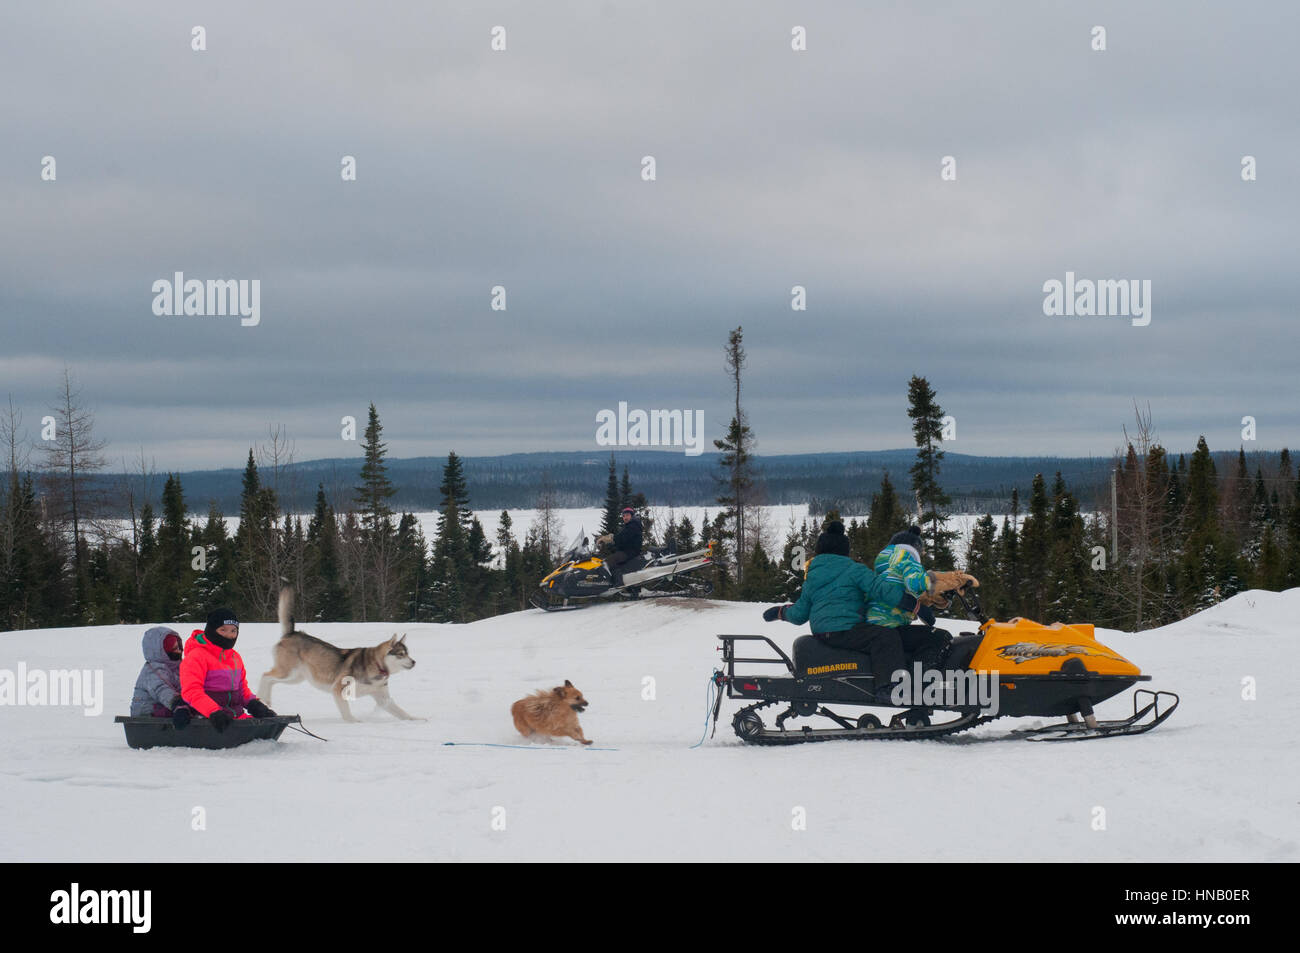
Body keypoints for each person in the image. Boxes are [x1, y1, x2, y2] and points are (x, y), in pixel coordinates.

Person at [762, 522, 971, 700]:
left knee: (882, 634)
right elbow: (881, 590)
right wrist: (916, 606)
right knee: (884, 636)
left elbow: (799, 614)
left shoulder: (812, 576)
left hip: (823, 633)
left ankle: (906, 684)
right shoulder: (854, 570)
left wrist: (780, 612)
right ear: (844, 551)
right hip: (847, 629)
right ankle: (888, 687)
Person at [866, 525, 978, 676]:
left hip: (879, 624)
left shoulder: (887, 567)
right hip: (889, 626)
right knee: (939, 637)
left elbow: (904, 591)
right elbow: (916, 581)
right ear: (915, 549)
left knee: (925, 636)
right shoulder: (907, 560)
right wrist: (953, 579)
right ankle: (920, 683)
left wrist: (931, 597)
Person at [180, 608, 276, 733]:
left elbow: (241, 690)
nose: (229, 635)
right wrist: (213, 711)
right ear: (212, 630)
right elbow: (191, 691)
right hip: (208, 719)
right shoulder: (196, 657)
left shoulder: (235, 657)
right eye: (223, 630)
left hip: (235, 717)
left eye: (233, 631)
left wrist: (254, 704)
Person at [129, 625, 195, 729]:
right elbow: (162, 689)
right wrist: (178, 704)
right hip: (147, 713)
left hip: (170, 707)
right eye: (174, 649)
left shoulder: (178, 667)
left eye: (179, 647)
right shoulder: (153, 670)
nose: (179, 651)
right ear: (161, 651)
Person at [597, 507, 643, 587]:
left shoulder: (633, 526)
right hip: (628, 550)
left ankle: (618, 583)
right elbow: (621, 539)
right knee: (609, 559)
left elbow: (623, 539)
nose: (625, 517)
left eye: (627, 515)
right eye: (624, 516)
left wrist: (611, 541)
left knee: (608, 562)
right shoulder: (629, 525)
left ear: (632, 516)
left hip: (630, 552)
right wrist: (611, 544)